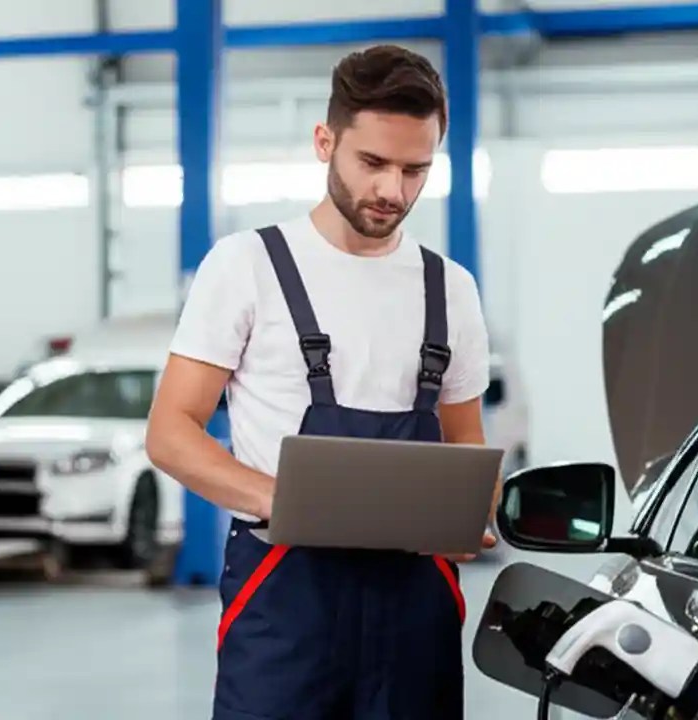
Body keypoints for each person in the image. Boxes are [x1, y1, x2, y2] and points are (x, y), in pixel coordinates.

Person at [145, 44, 497, 719]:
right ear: (324, 141)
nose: (393, 191)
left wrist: (474, 516)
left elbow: (466, 442)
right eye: (373, 163)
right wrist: (288, 502)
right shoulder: (246, 265)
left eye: (415, 169)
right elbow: (170, 432)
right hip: (285, 596)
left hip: (415, 603)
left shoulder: (449, 288)